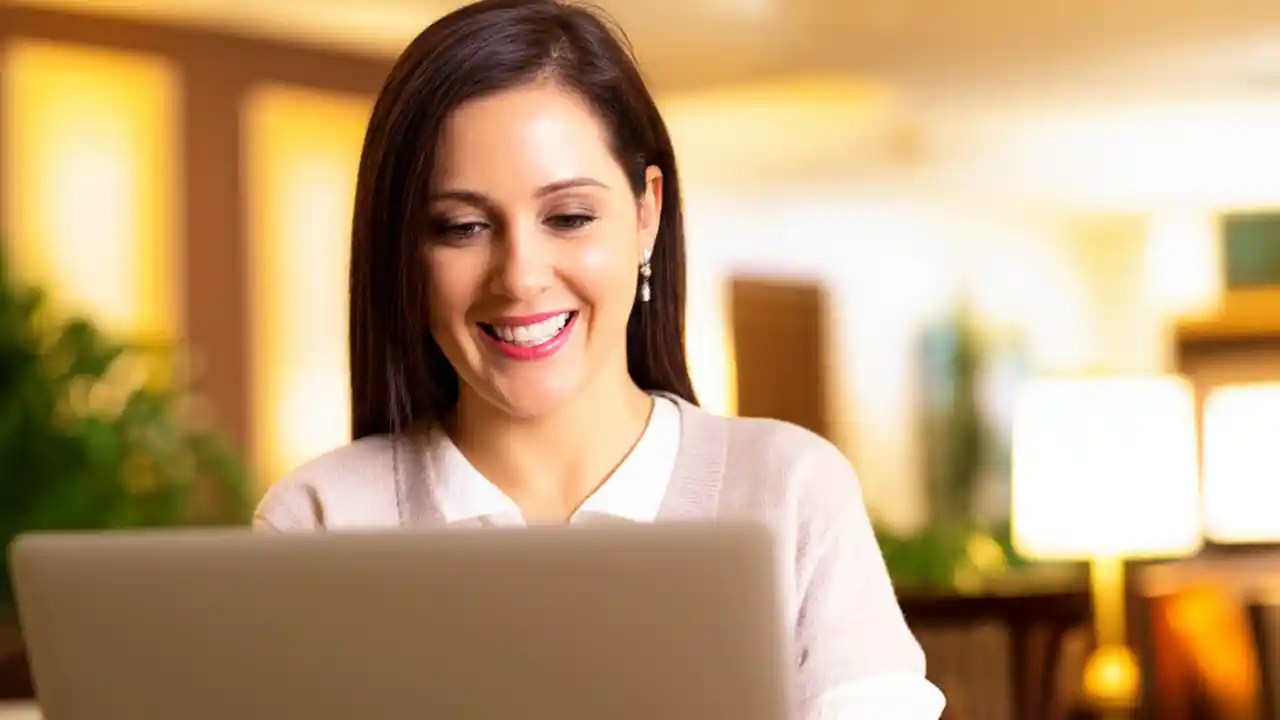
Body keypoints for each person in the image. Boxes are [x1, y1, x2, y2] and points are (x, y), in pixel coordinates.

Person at [254, 1, 945, 717]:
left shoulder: (790, 493)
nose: (520, 276)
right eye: (462, 227)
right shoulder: (320, 521)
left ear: (646, 212)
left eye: (570, 217)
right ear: (405, 251)